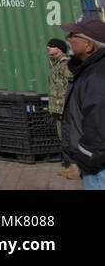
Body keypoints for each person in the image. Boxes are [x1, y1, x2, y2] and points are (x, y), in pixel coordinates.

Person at [60, 16, 105, 188]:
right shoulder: (89, 70)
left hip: (98, 167)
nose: (68, 39)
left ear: (89, 45)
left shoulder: (98, 76)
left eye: (73, 35)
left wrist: (85, 157)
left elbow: (100, 126)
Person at [48, 38, 75, 177]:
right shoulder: (56, 63)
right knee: (63, 136)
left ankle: (74, 166)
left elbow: (70, 83)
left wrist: (67, 102)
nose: (48, 48)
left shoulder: (65, 64)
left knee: (69, 135)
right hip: (57, 107)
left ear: (59, 48)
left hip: (64, 106)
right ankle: (69, 164)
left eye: (51, 46)